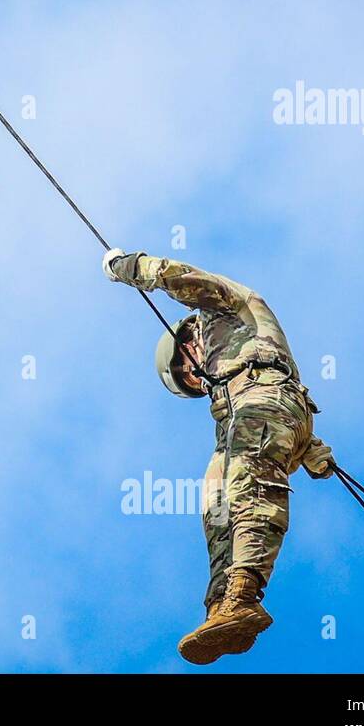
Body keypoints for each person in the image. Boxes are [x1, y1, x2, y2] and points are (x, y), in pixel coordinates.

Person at [103, 248, 336, 664]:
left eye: (186, 370)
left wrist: (132, 268)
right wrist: (313, 452)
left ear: (187, 340)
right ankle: (222, 605)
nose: (196, 378)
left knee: (246, 476)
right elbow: (289, 431)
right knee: (216, 500)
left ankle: (245, 591)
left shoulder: (222, 312)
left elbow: (187, 280)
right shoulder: (228, 389)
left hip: (263, 402)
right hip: (260, 415)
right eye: (189, 383)